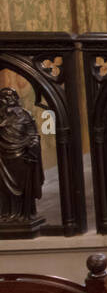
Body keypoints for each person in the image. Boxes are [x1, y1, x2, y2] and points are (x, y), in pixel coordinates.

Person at [0, 87, 42, 222]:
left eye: (11, 95)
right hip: (3, 159)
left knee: (23, 188)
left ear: (16, 98)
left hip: (21, 156)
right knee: (4, 190)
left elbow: (33, 134)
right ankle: (7, 214)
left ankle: (25, 214)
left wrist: (32, 147)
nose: (8, 99)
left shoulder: (25, 115)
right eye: (4, 96)